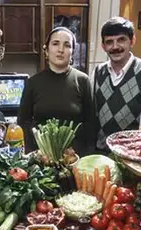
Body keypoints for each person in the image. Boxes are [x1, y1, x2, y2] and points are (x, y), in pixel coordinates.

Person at [17, 27, 95, 156]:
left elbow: (91, 123)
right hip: (41, 157)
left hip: (74, 157)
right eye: (55, 43)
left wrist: (85, 155)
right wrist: (33, 153)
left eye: (67, 45)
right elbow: (23, 122)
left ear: (72, 52)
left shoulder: (82, 81)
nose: (60, 50)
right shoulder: (33, 83)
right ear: (46, 50)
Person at [92, 17, 141, 151]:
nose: (115, 46)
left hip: (130, 157)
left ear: (132, 41)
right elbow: (92, 116)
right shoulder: (97, 72)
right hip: (100, 153)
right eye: (109, 42)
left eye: (121, 40)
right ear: (103, 46)